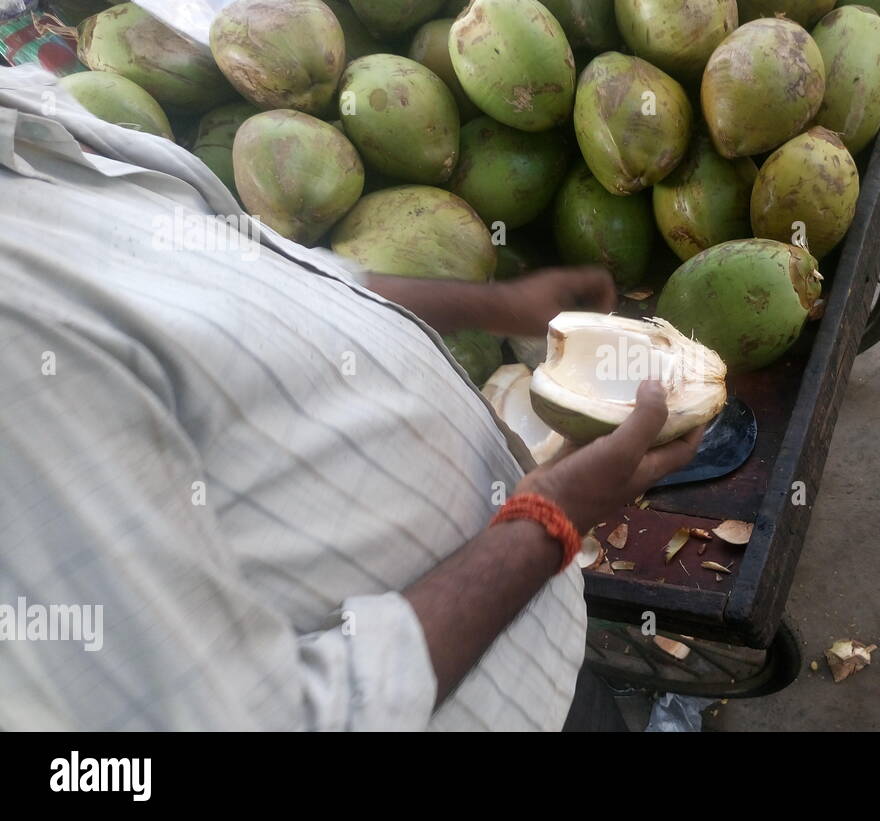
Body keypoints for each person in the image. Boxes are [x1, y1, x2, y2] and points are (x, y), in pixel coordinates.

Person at [0, 64, 702, 730]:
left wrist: (492, 304)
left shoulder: (22, 118)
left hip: (529, 622)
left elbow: (256, 273)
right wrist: (551, 515)